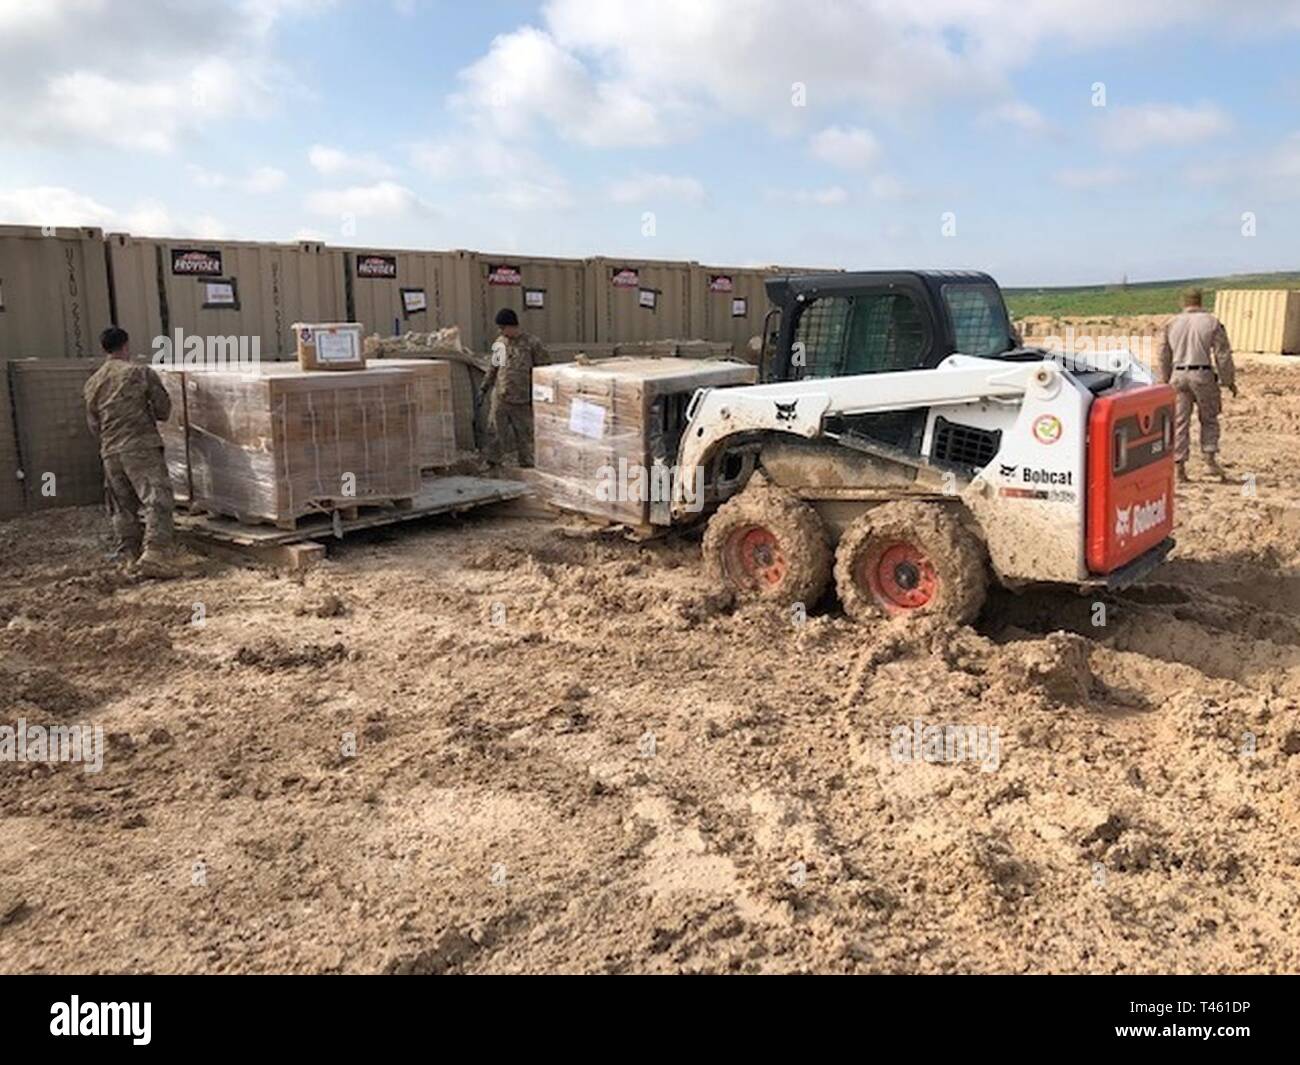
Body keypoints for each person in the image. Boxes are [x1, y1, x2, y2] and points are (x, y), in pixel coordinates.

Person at [83, 327, 177, 577]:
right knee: (158, 498)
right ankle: (155, 554)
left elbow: (93, 425)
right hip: (139, 447)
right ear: (125, 346)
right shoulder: (140, 372)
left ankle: (128, 557)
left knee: (122, 507)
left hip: (109, 452)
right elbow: (163, 410)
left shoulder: (93, 382)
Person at [1157, 288, 1236, 483]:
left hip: (1178, 375)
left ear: (1182, 302)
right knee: (1209, 418)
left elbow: (1163, 355)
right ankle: (1209, 457)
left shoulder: (1171, 323)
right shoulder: (1211, 322)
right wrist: (1229, 381)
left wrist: (1164, 380)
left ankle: (1179, 466)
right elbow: (1222, 355)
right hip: (1202, 374)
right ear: (1201, 301)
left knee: (1180, 421)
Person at [479, 307, 545, 469]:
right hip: (501, 396)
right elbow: (493, 368)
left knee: (524, 434)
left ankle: (527, 464)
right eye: (499, 328)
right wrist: (484, 388)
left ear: (512, 326)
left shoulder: (532, 344)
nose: (500, 331)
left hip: (522, 398)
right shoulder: (500, 344)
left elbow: (543, 369)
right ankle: (492, 462)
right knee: (495, 431)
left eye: (503, 327)